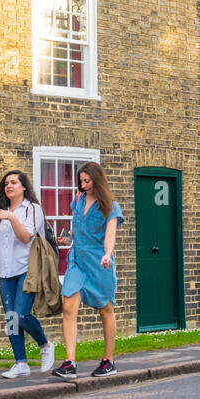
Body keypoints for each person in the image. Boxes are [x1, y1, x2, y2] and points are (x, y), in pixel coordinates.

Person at [51, 161, 123, 378]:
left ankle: (108, 361)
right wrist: (69, 237)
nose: (83, 185)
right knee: (68, 306)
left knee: (106, 310)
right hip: (77, 261)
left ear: (97, 180)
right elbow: (79, 229)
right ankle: (69, 363)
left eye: (87, 181)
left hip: (99, 262)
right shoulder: (78, 200)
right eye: (81, 181)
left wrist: (107, 253)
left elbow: (110, 235)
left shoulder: (110, 205)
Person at [0, 170, 56, 378]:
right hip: (5, 273)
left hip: (27, 269)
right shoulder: (0, 211)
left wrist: (11, 217)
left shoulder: (33, 209)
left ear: (24, 187)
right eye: (6, 183)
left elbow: (25, 238)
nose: (9, 186)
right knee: (11, 318)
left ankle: (45, 344)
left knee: (22, 314)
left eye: (13, 182)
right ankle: (21, 363)